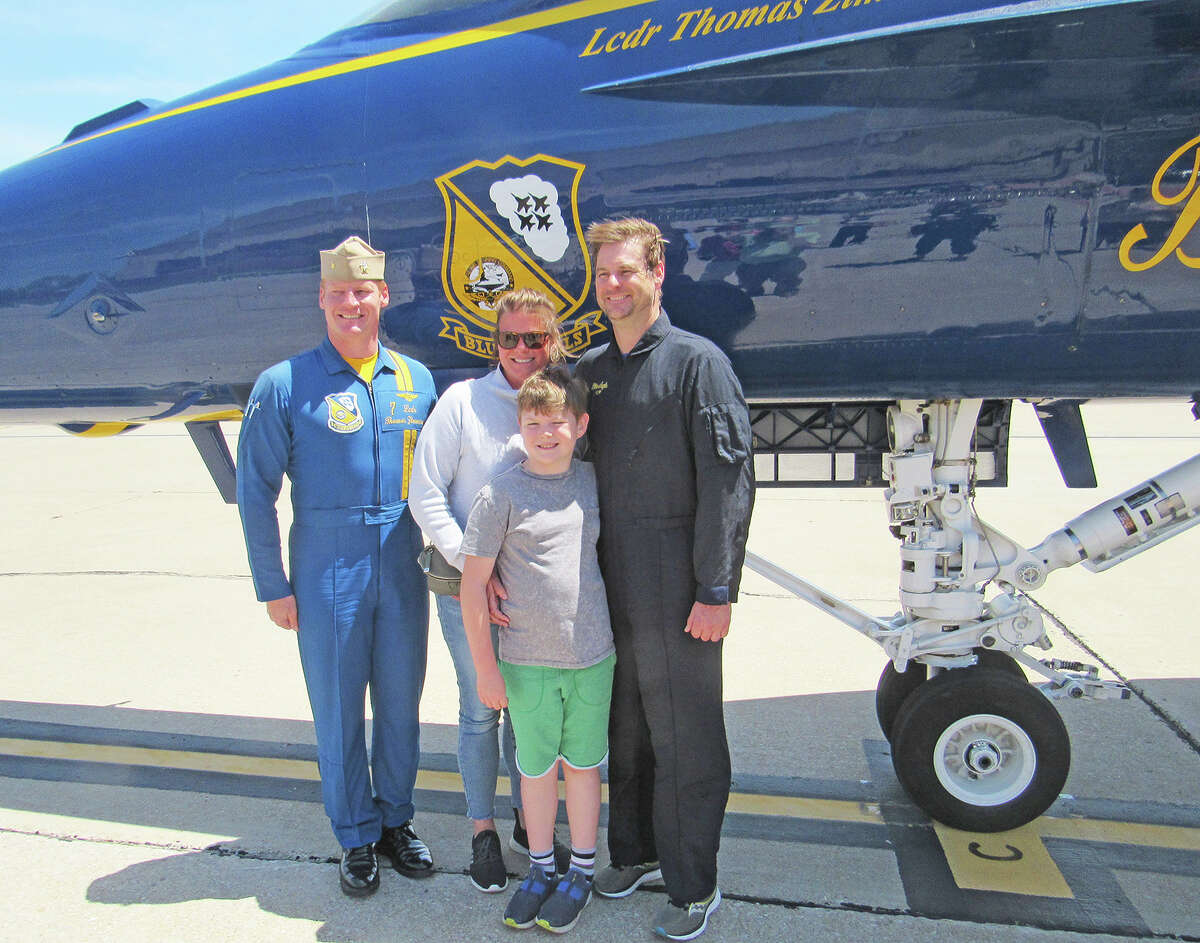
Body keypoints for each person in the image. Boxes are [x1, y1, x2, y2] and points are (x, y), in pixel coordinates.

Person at [236, 235, 437, 898]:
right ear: (322, 298)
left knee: (403, 705)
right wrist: (274, 584)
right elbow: (254, 489)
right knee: (338, 707)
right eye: (339, 293)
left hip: (402, 561)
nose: (352, 303)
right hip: (327, 566)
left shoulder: (416, 380)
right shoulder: (285, 384)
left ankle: (396, 821)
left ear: (384, 295)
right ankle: (354, 833)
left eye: (363, 291)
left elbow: (441, 479)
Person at [575, 218, 754, 941]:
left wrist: (716, 587)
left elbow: (729, 479)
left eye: (627, 270)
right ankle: (637, 851)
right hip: (610, 575)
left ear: (658, 273)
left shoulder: (695, 364)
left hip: (678, 579)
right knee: (627, 725)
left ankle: (693, 884)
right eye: (604, 273)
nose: (614, 284)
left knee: (685, 735)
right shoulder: (592, 370)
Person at [408, 288, 570, 892]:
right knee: (481, 710)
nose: (522, 350)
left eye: (534, 338)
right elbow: (425, 494)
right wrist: (474, 567)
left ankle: (533, 824)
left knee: (532, 713)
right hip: (468, 587)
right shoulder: (463, 402)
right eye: (509, 338)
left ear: (551, 340)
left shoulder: (562, 402)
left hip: (538, 589)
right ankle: (483, 833)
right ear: (494, 341)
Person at [459, 365, 615, 934]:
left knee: (582, 768)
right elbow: (473, 586)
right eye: (534, 423)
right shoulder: (501, 492)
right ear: (519, 428)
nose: (546, 433)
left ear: (580, 424)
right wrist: (486, 669)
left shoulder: (595, 483)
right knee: (535, 770)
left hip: (592, 656)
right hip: (524, 661)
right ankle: (542, 868)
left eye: (557, 422)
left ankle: (581, 871)